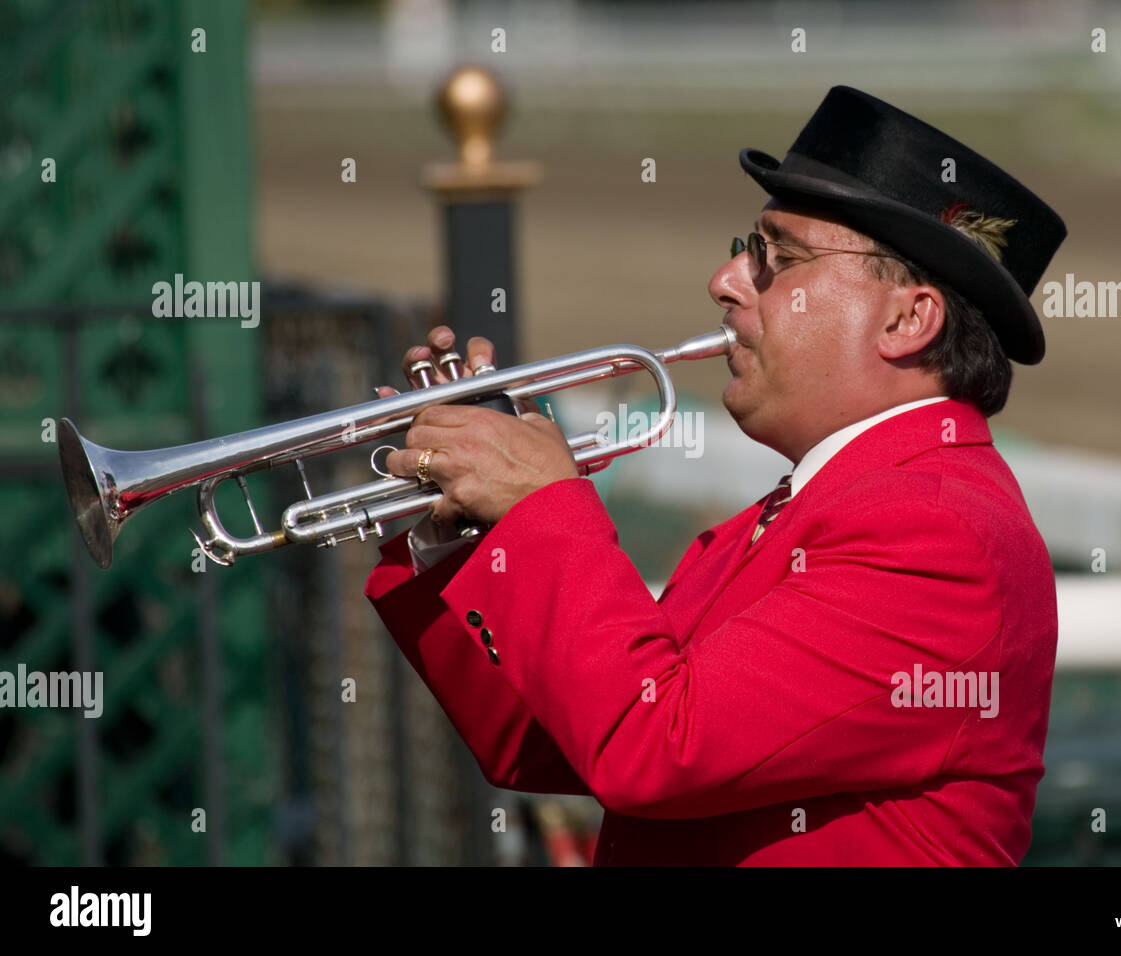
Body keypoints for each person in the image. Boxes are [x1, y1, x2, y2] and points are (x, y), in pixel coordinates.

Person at [365, 86, 1067, 865]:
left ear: (908, 320)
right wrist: (468, 535)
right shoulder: (803, 510)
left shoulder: (936, 532)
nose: (729, 279)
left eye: (779, 256)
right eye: (748, 246)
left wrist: (544, 506)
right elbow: (540, 741)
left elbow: (655, 747)